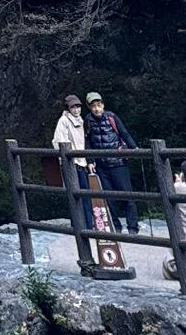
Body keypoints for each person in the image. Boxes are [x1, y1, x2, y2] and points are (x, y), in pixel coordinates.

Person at [83, 91, 140, 234]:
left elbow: (124, 133)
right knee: (108, 198)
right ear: (89, 107)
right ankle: (116, 226)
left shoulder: (112, 117)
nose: (97, 108)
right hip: (101, 165)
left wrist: (135, 149)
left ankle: (132, 227)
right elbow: (88, 141)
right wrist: (90, 160)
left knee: (127, 195)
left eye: (99, 105)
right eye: (93, 106)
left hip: (118, 162)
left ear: (103, 104)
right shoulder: (88, 121)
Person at [52, 92, 93, 233]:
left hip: (82, 162)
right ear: (68, 108)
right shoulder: (63, 121)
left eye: (78, 107)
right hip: (72, 162)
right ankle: (78, 225)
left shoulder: (81, 120)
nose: (76, 109)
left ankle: (89, 225)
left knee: (85, 195)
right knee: (75, 196)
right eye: (73, 107)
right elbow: (59, 141)